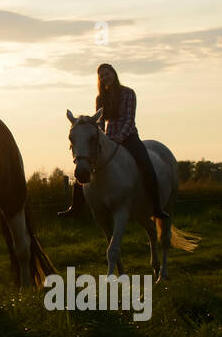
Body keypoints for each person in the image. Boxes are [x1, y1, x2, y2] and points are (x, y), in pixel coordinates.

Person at [58, 63, 170, 221]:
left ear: (114, 74)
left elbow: (130, 119)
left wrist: (120, 137)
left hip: (129, 137)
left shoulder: (128, 93)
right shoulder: (100, 98)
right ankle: (75, 207)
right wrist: (102, 137)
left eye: (107, 73)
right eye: (101, 76)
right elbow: (100, 123)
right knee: (84, 164)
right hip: (108, 139)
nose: (105, 77)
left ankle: (157, 207)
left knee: (146, 165)